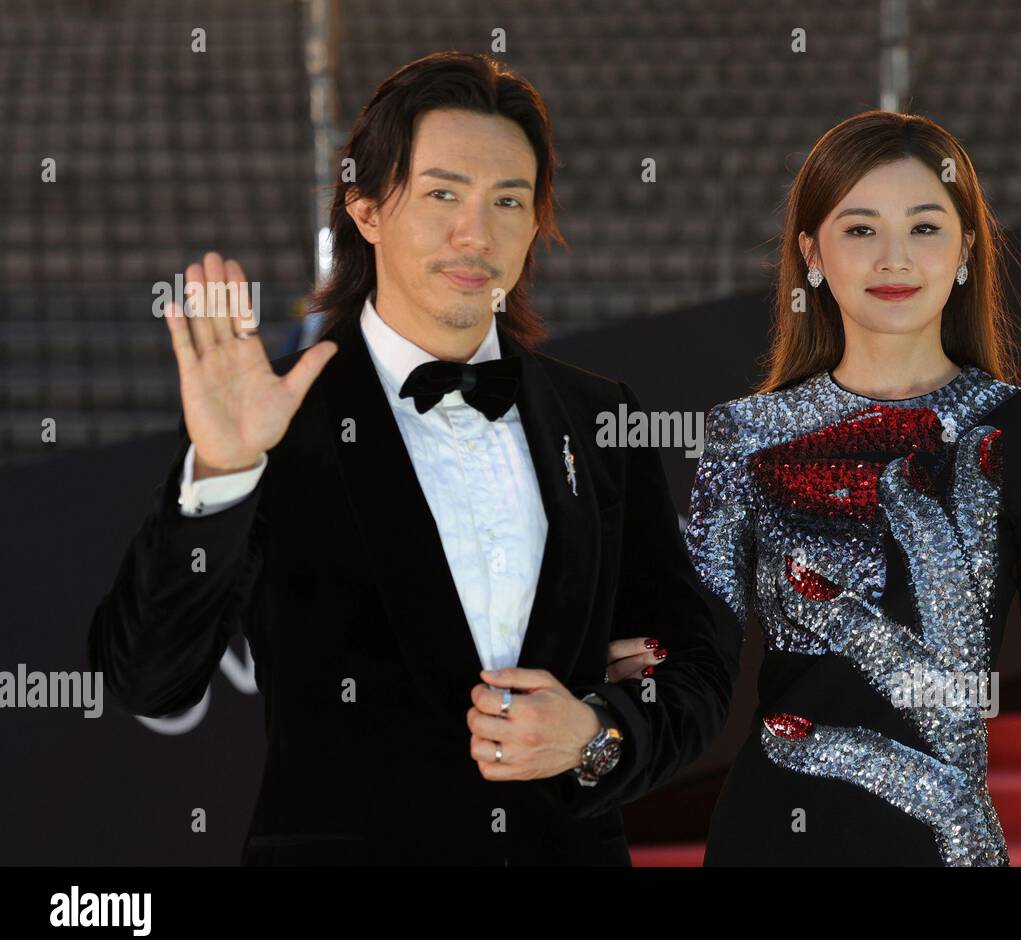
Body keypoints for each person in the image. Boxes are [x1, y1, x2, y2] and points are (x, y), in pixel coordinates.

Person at [88, 52, 731, 866]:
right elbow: (149, 678)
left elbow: (697, 668)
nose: (477, 232)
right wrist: (220, 472)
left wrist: (595, 736)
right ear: (365, 210)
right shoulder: (269, 421)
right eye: (442, 193)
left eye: (509, 200)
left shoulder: (598, 416)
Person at [685, 110, 1021, 866]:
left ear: (967, 248)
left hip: (947, 845)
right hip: (771, 836)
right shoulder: (743, 437)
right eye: (861, 229)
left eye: (926, 227)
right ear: (812, 252)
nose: (895, 259)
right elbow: (695, 660)